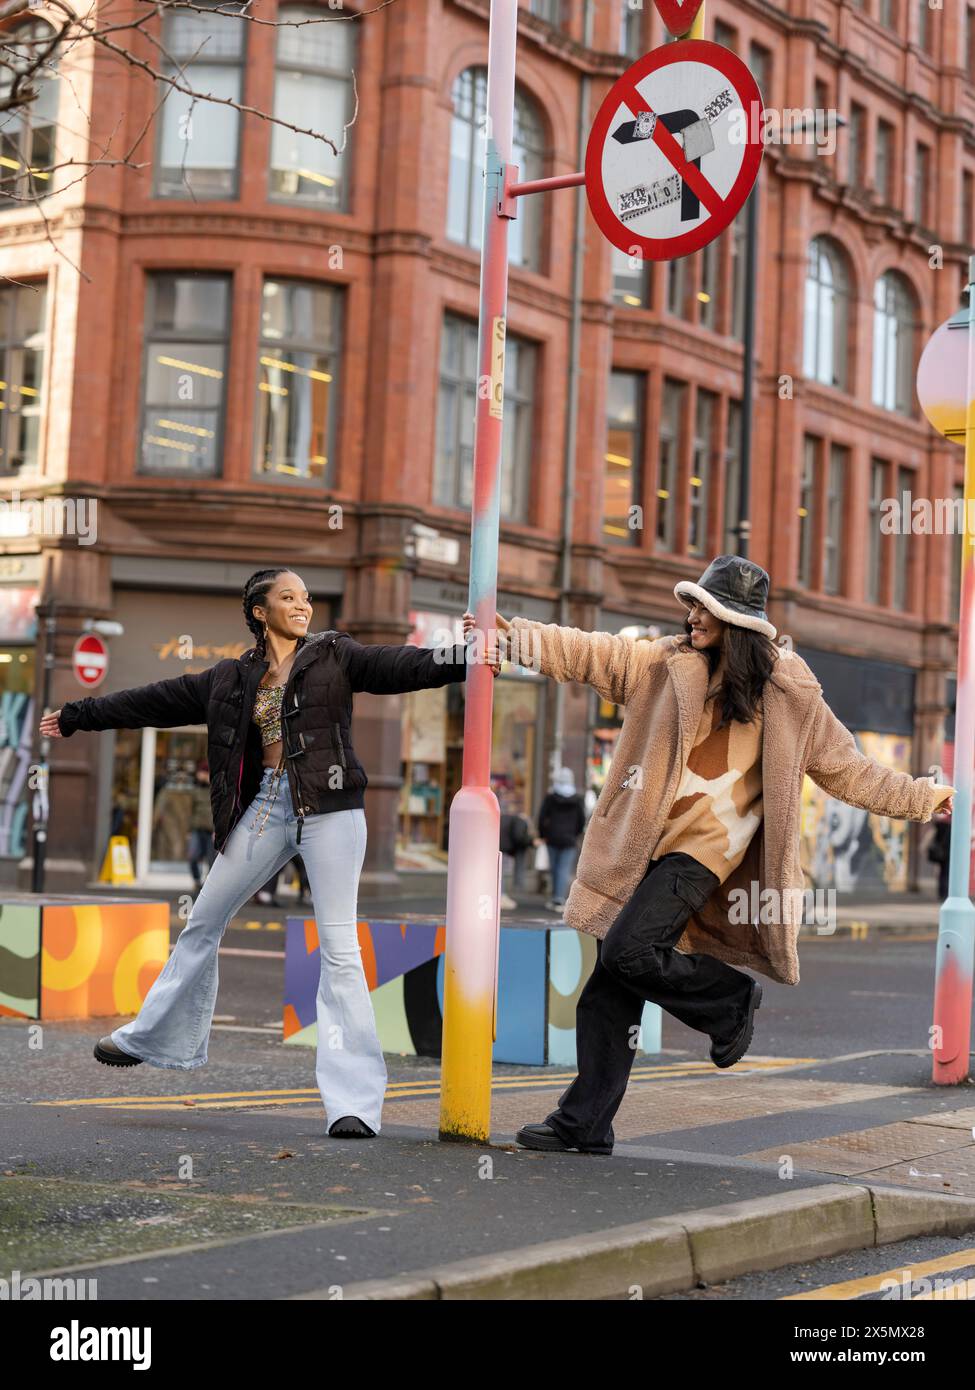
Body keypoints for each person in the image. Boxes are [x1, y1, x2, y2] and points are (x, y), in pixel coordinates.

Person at [467, 556, 956, 1156]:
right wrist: (512, 638)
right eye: (692, 604)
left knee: (628, 951)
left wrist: (924, 798)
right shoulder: (663, 665)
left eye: (704, 607)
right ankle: (584, 1126)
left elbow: (849, 770)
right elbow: (589, 652)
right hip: (643, 846)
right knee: (608, 988)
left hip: (703, 856)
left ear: (736, 622)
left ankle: (730, 1000)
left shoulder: (793, 698)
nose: (691, 615)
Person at [40, 569, 500, 1140]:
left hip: (331, 809)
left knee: (339, 949)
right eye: (289, 597)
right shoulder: (232, 677)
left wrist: (468, 656)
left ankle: (352, 1105)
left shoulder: (335, 655)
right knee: (202, 923)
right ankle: (147, 1037)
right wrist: (81, 715)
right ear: (260, 610)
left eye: (306, 597)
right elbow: (154, 701)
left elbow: (403, 666)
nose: (302, 606)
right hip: (265, 807)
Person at [537, 769, 586, 910]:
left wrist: (543, 834)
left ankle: (555, 898)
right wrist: (575, 834)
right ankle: (560, 898)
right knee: (563, 869)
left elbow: (542, 817)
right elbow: (581, 820)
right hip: (569, 839)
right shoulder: (577, 799)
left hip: (552, 837)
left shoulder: (551, 797)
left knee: (554, 869)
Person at [187, 761, 216, 888]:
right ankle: (197, 880)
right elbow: (189, 811)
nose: (201, 775)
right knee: (192, 856)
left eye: (204, 772)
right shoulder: (195, 790)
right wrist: (188, 831)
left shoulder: (216, 790)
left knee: (211, 861)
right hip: (197, 829)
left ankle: (208, 886)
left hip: (212, 831)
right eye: (200, 772)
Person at [499, 810, 534, 908]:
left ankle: (501, 895)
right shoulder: (521, 821)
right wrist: (532, 842)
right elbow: (519, 837)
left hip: (499, 845)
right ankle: (501, 896)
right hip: (503, 848)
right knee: (500, 872)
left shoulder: (507, 818)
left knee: (499, 872)